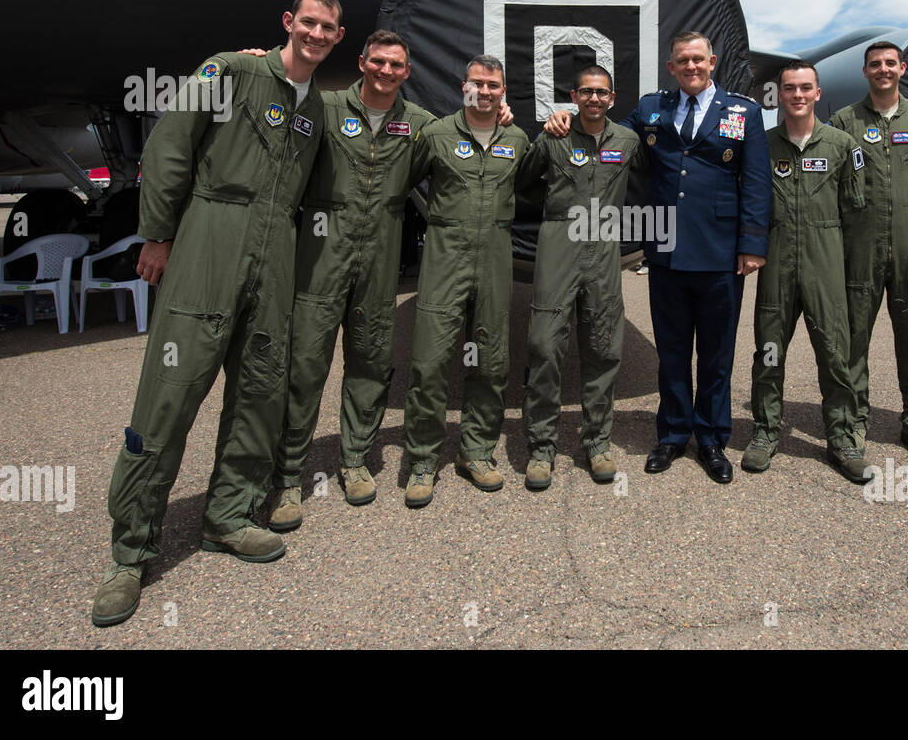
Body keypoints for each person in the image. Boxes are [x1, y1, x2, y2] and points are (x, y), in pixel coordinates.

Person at [92, 0, 345, 627]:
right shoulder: (229, 71)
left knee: (260, 390)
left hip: (275, 250)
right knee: (170, 394)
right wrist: (157, 234)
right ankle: (130, 552)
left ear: (338, 38)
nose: (316, 34)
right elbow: (170, 147)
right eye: (308, 23)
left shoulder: (314, 106)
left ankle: (229, 517)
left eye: (328, 28)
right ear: (289, 24)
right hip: (212, 235)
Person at [547, 32, 770, 484]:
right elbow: (602, 125)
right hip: (665, 247)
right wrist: (564, 116)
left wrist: (752, 244)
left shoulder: (743, 112)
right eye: (682, 61)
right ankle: (670, 434)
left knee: (715, 353)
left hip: (721, 251)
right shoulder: (652, 109)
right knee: (670, 352)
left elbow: (758, 179)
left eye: (698, 60)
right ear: (671, 66)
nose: (691, 67)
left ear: (712, 61)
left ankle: (710, 438)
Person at [265, 30, 434, 530]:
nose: (386, 70)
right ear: (362, 62)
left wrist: (505, 114)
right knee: (304, 366)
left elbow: (455, 144)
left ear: (407, 72)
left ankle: (355, 459)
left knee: (371, 361)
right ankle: (288, 477)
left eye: (396, 65)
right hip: (322, 250)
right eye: (378, 61)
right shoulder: (324, 107)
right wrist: (261, 62)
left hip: (381, 255)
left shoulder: (419, 125)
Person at [400, 55, 529, 507]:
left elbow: (532, 184)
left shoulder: (516, 139)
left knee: (491, 361)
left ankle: (476, 452)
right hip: (444, 257)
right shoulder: (435, 135)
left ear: (502, 91)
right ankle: (421, 459)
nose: (486, 91)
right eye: (479, 83)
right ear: (464, 87)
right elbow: (401, 182)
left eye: (494, 85)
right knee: (429, 362)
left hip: (494, 256)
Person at [518, 65, 644, 489]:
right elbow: (523, 180)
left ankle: (597, 441)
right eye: (586, 92)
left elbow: (650, 180)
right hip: (560, 239)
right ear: (574, 95)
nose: (594, 99)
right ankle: (541, 446)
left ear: (612, 97)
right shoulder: (554, 136)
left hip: (604, 242)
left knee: (604, 344)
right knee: (544, 343)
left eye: (601, 92)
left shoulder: (627, 140)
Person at [744, 61, 866, 477]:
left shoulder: (842, 145)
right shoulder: (760, 145)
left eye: (805, 88)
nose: (797, 95)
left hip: (825, 259)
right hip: (776, 262)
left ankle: (842, 437)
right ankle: (765, 430)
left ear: (818, 93)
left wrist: (842, 263)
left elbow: (856, 210)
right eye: (789, 88)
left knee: (834, 353)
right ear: (778, 94)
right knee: (770, 350)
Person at [833, 41, 908, 471]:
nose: (882, 70)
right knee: (853, 336)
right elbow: (838, 178)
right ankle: (852, 420)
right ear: (865, 72)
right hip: (860, 243)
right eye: (874, 64)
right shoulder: (845, 120)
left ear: (902, 68)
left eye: (889, 63)